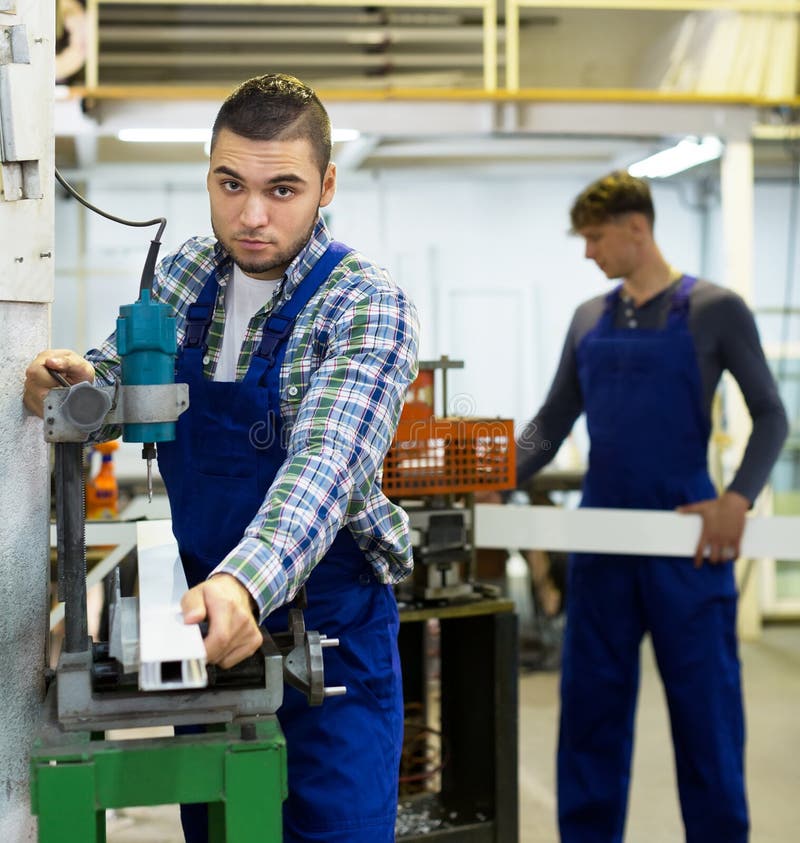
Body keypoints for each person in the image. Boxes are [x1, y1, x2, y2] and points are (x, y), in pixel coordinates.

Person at [24, 73, 419, 843]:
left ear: (326, 185)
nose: (251, 215)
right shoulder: (183, 277)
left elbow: (325, 467)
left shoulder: (365, 302)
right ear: (208, 170)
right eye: (230, 183)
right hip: (206, 632)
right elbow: (117, 380)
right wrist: (71, 387)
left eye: (282, 189)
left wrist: (244, 582)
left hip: (328, 640)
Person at [514, 170, 788, 843]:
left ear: (637, 229)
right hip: (604, 541)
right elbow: (551, 422)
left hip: (689, 546)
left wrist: (737, 498)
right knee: (590, 717)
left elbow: (772, 415)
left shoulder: (715, 310)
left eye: (596, 238)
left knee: (707, 720)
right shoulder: (588, 319)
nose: (588, 253)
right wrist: (493, 474)